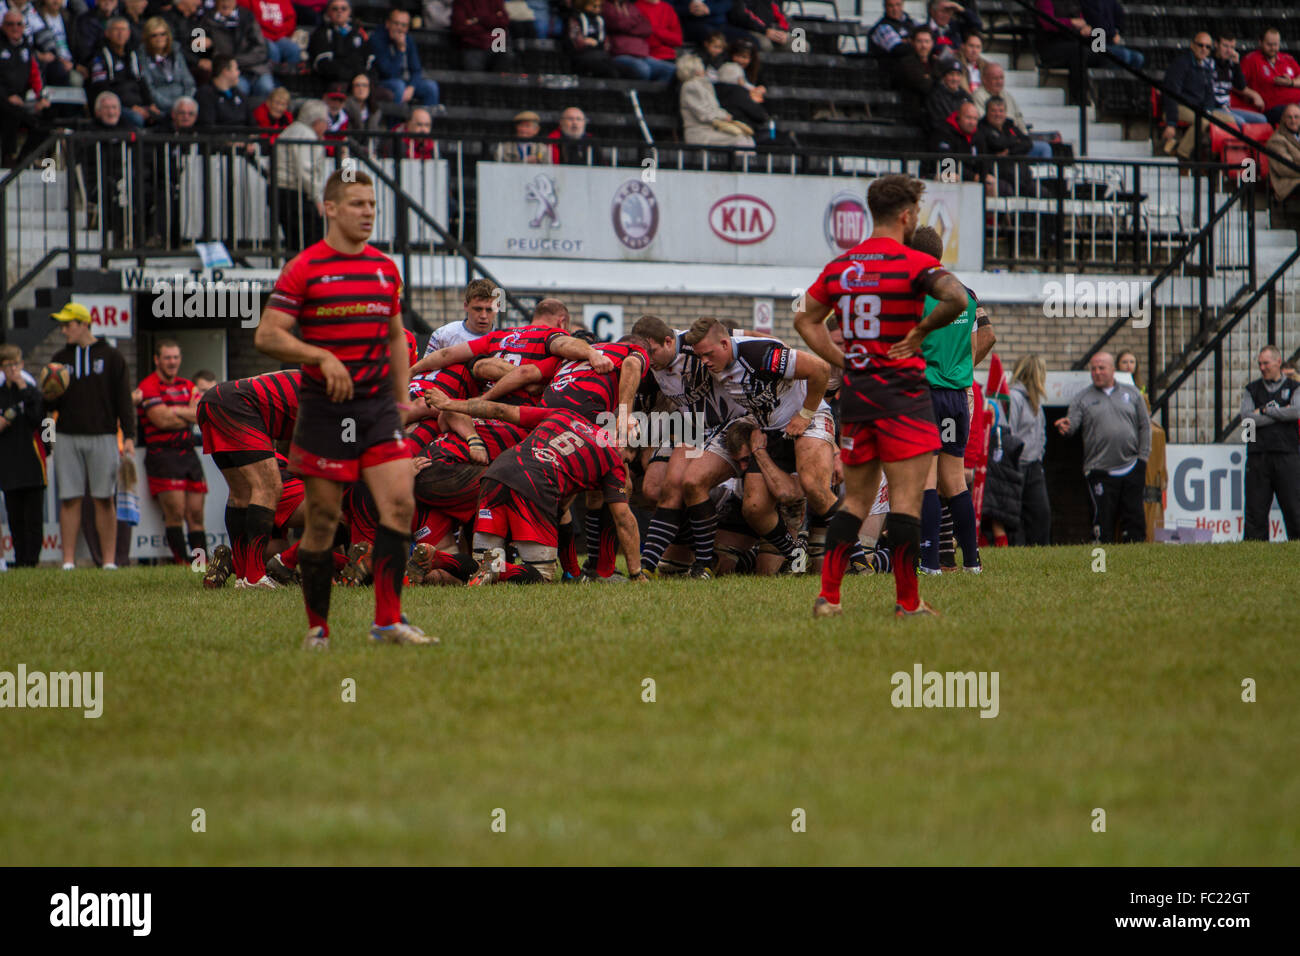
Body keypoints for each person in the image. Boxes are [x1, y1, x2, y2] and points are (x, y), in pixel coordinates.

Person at [254, 168, 433, 648]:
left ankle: (388, 623)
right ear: (329, 208)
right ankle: (319, 628)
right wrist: (320, 356)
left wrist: (400, 401)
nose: (368, 212)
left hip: (377, 410)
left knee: (399, 503)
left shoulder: (384, 268)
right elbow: (267, 335)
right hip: (327, 413)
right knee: (322, 520)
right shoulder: (304, 267)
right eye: (357, 203)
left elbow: (396, 338)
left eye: (372, 204)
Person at [794, 173, 971, 617]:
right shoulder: (914, 263)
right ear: (907, 215)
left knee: (855, 500)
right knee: (907, 503)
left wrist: (843, 358)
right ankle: (908, 603)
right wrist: (919, 332)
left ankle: (828, 598)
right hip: (904, 396)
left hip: (857, 395)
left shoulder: (842, 266)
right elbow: (957, 299)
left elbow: (804, 320)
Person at [686, 317, 835, 577]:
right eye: (700, 357)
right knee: (754, 508)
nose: (705, 362)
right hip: (769, 428)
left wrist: (806, 413)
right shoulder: (719, 353)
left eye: (708, 354)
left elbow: (821, 369)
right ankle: (795, 553)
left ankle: (858, 557)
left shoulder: (760, 354)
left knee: (813, 488)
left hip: (806, 418)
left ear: (724, 343)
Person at [909, 225, 994, 574]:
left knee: (928, 481)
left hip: (926, 394)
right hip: (959, 396)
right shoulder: (967, 294)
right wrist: (959, 369)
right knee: (955, 481)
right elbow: (986, 338)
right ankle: (972, 562)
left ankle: (929, 563)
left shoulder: (915, 295)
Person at [45, 302, 135, 570]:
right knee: (70, 498)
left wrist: (129, 435)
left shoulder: (112, 356)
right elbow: (48, 408)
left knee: (104, 498)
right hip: (67, 437)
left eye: (68, 324)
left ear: (84, 323)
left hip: (104, 436)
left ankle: (109, 562)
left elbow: (123, 400)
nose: (63, 330)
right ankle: (68, 561)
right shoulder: (60, 358)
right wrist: (47, 433)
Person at [195, 368, 301, 588]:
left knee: (241, 493)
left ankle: (243, 575)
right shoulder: (336, 398)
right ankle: (254, 577)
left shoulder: (315, 382)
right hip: (236, 405)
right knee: (269, 487)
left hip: (213, 400)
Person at [1054, 351, 1150, 543]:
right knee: (1102, 523)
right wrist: (1067, 427)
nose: (1097, 372)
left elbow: (1144, 426)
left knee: (1134, 521)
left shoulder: (1132, 394)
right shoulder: (1083, 398)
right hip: (1099, 471)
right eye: (1093, 369)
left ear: (1113, 370)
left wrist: (1142, 459)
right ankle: (1101, 564)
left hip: (1131, 467)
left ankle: (1137, 560)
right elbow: (1073, 422)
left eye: (1101, 368)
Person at [136, 338, 207, 565]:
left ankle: (200, 564)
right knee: (175, 513)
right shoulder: (148, 386)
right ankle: (182, 563)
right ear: (157, 359)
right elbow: (161, 420)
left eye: (176, 357)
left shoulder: (188, 385)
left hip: (188, 454)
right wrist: (185, 414)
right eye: (167, 357)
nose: (172, 362)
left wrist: (175, 410)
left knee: (196, 514)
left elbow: (200, 415)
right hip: (163, 456)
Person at [1240, 344, 1300, 541]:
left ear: (1278, 362)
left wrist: (1266, 411)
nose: (1262, 367)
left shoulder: (1294, 387)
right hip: (1258, 457)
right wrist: (1282, 413)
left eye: (1266, 363)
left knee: (1294, 507)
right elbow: (1247, 420)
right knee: (1255, 510)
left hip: (1287, 456)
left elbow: (1297, 411)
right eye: (1259, 363)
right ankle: (1254, 551)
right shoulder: (1251, 389)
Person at [0, 344, 45, 568]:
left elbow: (40, 418)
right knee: (15, 515)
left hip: (33, 461)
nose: (12, 370)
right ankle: (19, 559)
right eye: (8, 366)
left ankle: (32, 560)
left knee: (33, 517)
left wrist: (24, 388)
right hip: (9, 461)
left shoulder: (32, 391)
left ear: (22, 364)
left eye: (15, 365)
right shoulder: (1, 394)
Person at [1160, 32, 1240, 158]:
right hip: (1179, 106)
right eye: (1200, 45)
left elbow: (1209, 95)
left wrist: (1208, 110)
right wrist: (1171, 123)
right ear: (1192, 45)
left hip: (1199, 109)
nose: (1204, 49)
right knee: (1203, 121)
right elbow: (1171, 93)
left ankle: (1215, 157)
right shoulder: (1181, 64)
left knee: (1230, 120)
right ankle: (1182, 154)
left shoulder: (1206, 67)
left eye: (1208, 47)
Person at [273, 98, 328, 249]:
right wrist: (317, 197)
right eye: (325, 120)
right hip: (293, 193)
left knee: (294, 240)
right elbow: (305, 170)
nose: (327, 125)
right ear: (317, 121)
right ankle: (311, 269)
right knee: (311, 236)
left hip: (281, 190)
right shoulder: (306, 135)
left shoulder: (292, 130)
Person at [1008, 353, 1049, 545]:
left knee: (1041, 514)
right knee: (1016, 516)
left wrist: (1038, 458)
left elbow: (1041, 433)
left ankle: (1040, 549)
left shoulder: (1036, 403)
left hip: (1033, 466)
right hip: (1017, 466)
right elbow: (1010, 432)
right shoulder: (1014, 398)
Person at [0, 8, 50, 166]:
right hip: (2, 99)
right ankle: (7, 158)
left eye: (19, 24)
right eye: (10, 24)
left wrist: (40, 97)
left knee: (43, 124)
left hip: (20, 100)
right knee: (11, 113)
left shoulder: (27, 48)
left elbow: (34, 76)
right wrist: (6, 96)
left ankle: (22, 161)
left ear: (24, 27)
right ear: (3, 26)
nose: (15, 28)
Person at [88, 15, 155, 127]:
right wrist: (131, 106)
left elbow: (141, 81)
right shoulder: (100, 56)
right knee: (136, 119)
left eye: (123, 29)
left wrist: (150, 104)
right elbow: (101, 87)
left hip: (138, 104)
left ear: (128, 33)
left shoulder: (133, 54)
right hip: (115, 106)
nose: (120, 33)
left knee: (161, 117)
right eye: (116, 29)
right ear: (107, 33)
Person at [678, 53, 753, 147]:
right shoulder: (690, 86)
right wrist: (724, 116)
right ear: (695, 69)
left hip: (711, 130)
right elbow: (703, 113)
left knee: (747, 137)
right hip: (700, 133)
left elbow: (715, 108)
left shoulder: (705, 84)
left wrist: (725, 115)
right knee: (740, 140)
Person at [201, 0, 273, 98]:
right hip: (227, 70)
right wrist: (203, 46)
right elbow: (195, 46)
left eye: (229, 1)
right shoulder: (207, 18)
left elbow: (261, 50)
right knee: (240, 89)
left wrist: (236, 61)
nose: (225, 4)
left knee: (266, 87)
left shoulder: (247, 16)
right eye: (222, 1)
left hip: (255, 67)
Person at [371, 6, 440, 106]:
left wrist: (411, 87)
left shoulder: (408, 40)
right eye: (396, 23)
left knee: (431, 87)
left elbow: (416, 70)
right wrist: (400, 50)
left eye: (403, 25)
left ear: (407, 28)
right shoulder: (377, 39)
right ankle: (396, 122)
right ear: (388, 24)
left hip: (405, 82)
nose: (399, 28)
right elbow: (388, 73)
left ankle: (424, 120)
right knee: (399, 86)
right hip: (383, 82)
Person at [421, 278, 500, 360]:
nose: (483, 316)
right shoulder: (442, 335)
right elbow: (426, 371)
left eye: (489, 310)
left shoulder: (506, 341)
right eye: (478, 309)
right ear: (466, 305)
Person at [308, 0, 373, 93]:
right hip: (333, 81)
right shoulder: (321, 33)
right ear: (328, 12)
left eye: (343, 8)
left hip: (359, 80)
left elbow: (369, 59)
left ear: (349, 11)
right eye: (335, 9)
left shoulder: (359, 33)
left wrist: (362, 76)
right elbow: (324, 65)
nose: (339, 12)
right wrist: (352, 76)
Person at [1241, 27, 1300, 125]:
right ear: (1260, 42)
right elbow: (1236, 83)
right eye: (1269, 44)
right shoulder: (1251, 59)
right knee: (1294, 113)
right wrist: (1253, 94)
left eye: (1276, 44)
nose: (1273, 48)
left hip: (1297, 103)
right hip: (1275, 108)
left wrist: (1291, 83)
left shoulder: (1287, 58)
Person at [605, 0, 674, 81]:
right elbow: (618, 24)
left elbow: (647, 28)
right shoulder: (606, 6)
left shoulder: (631, 6)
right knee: (643, 70)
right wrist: (635, 22)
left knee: (671, 70)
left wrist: (627, 24)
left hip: (641, 54)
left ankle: (654, 94)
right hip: (620, 54)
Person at [138, 16, 194, 116]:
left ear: (168, 35)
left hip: (183, 104)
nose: (159, 38)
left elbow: (188, 81)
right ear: (147, 38)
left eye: (162, 34)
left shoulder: (176, 53)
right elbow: (149, 87)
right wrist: (172, 106)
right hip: (161, 106)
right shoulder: (142, 57)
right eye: (154, 35)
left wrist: (185, 102)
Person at [1211, 33, 1267, 126]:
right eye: (1225, 46)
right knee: (1240, 122)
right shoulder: (1209, 62)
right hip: (1213, 108)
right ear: (1216, 44)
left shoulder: (1231, 64)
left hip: (1227, 108)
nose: (1229, 51)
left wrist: (1236, 64)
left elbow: (1241, 86)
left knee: (1262, 119)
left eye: (1232, 47)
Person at [451, 0, 515, 72]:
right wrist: (491, 21)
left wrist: (478, 20)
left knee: (506, 55)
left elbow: (504, 21)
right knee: (475, 77)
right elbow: (460, 27)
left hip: (497, 45)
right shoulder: (461, 2)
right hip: (473, 46)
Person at [196, 53, 253, 129]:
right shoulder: (205, 94)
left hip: (243, 139)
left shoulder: (240, 94)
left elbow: (252, 125)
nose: (239, 73)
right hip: (219, 139)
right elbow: (207, 127)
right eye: (236, 69)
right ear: (225, 71)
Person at [240, 0, 299, 72]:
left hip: (280, 35)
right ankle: (272, 80)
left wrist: (281, 33)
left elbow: (290, 18)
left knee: (293, 49)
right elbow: (246, 20)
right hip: (260, 36)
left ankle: (291, 80)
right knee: (273, 50)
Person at [1078, 0, 1141, 68]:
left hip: (1110, 42)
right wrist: (1113, 33)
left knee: (1138, 58)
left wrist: (1117, 31)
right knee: (1123, 55)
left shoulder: (1110, 2)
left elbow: (1121, 18)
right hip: (1095, 44)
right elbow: (1098, 22)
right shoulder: (1088, 2)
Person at [565, 0, 619, 78]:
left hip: (600, 54)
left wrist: (596, 44)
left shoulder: (600, 20)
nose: (597, 9)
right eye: (594, 6)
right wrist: (586, 43)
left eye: (599, 7)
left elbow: (606, 43)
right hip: (581, 54)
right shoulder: (577, 19)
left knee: (609, 64)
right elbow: (575, 40)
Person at [31, 0, 77, 87]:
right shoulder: (36, 17)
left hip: (69, 62)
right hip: (49, 62)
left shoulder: (68, 17)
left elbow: (75, 46)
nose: (56, 1)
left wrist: (74, 64)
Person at [1266, 103, 1300, 203]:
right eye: (1289, 117)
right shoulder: (1276, 140)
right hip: (1288, 182)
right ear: (1283, 119)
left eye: (1296, 117)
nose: (1293, 121)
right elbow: (1285, 169)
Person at [926, 59, 971, 131]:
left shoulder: (965, 96)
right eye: (951, 74)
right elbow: (937, 123)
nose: (955, 78)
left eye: (958, 75)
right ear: (944, 76)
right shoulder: (935, 96)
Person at [636, 0, 681, 69]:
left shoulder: (667, 8)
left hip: (668, 57)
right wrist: (666, 35)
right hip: (646, 57)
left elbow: (678, 40)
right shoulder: (637, 7)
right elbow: (645, 39)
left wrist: (655, 30)